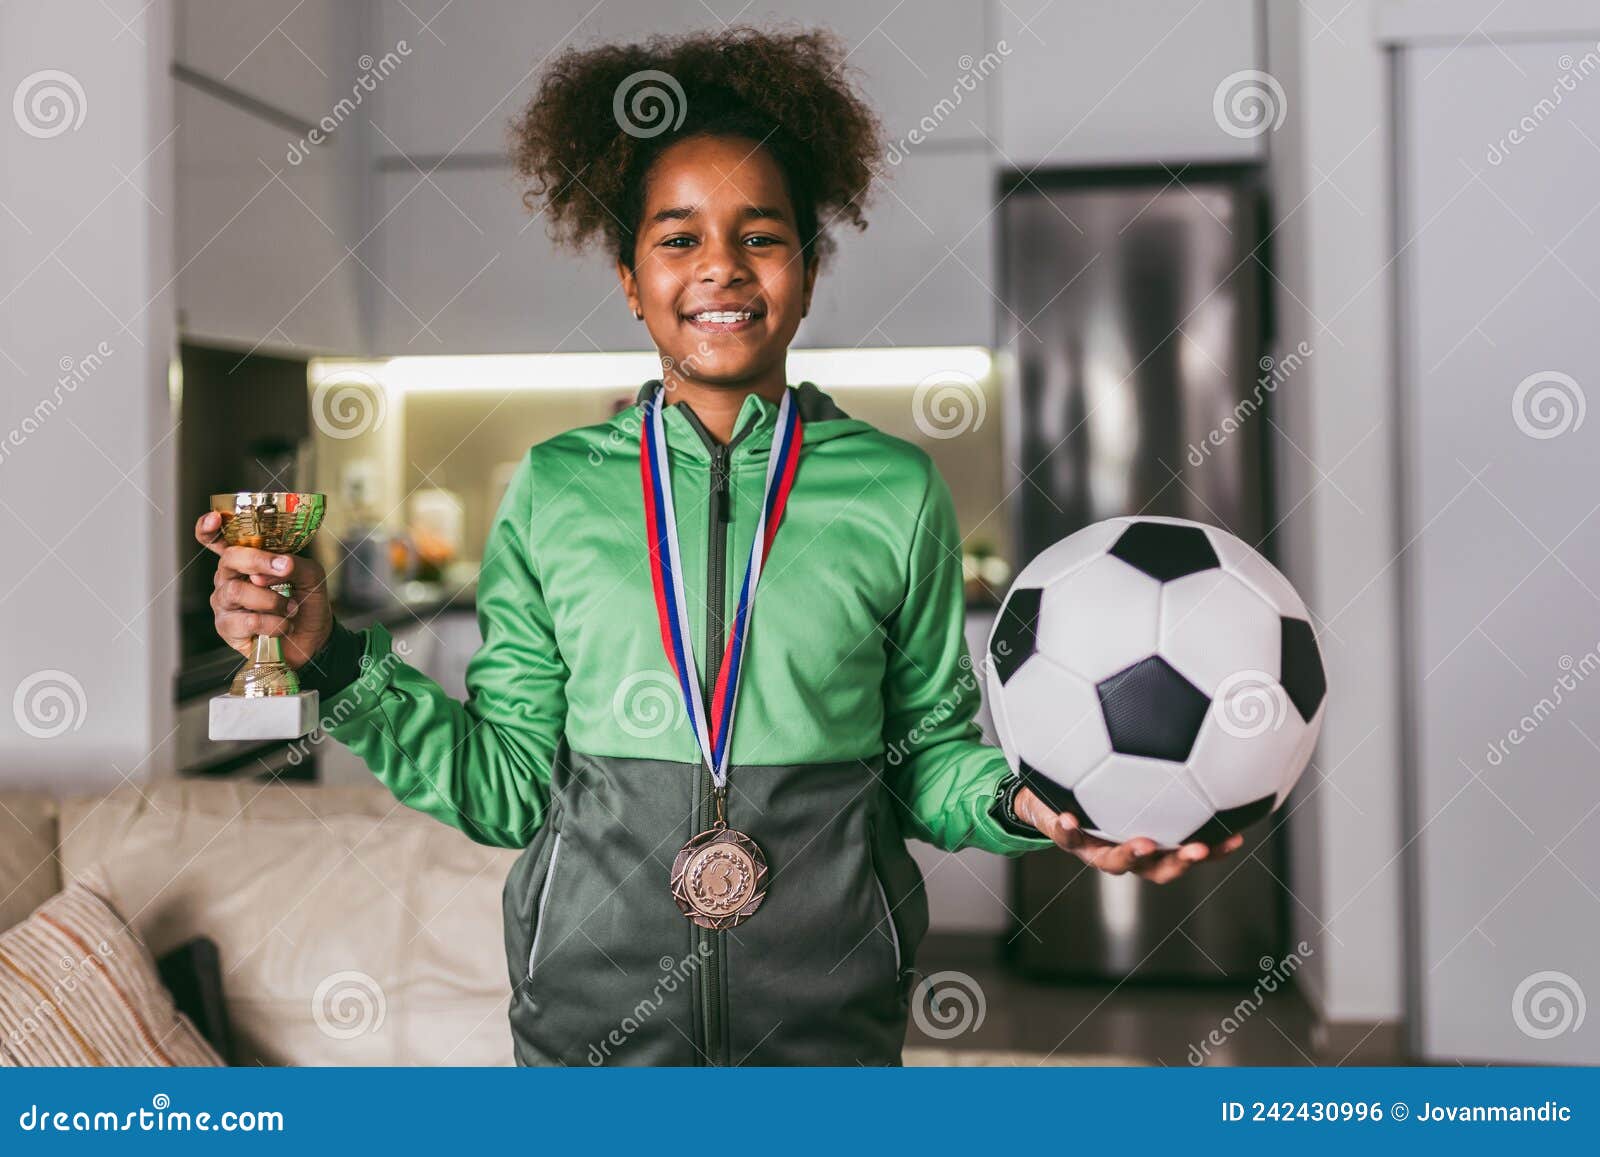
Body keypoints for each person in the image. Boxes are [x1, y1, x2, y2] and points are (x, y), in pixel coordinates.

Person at [194, 27, 1243, 1066]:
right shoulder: (558, 489)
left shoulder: (893, 489)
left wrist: (1043, 804)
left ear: (809, 264)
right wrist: (331, 655)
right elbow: (504, 785)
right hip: (588, 1031)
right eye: (678, 237)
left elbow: (924, 758)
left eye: (761, 234)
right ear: (628, 273)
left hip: (829, 1031)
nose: (721, 269)